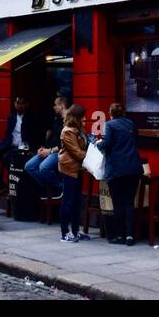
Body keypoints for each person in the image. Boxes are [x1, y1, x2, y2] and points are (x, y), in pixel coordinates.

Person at [96, 103, 142, 246]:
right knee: (129, 202)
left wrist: (97, 143)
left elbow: (107, 143)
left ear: (111, 114)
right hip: (133, 168)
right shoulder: (131, 123)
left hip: (117, 169)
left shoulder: (110, 125)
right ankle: (130, 235)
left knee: (118, 203)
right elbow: (135, 140)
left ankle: (119, 235)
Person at [0, 96, 48, 193]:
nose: (20, 106)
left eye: (22, 103)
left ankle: (12, 188)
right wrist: (4, 145)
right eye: (18, 103)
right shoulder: (11, 117)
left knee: (7, 158)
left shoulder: (31, 118)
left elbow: (36, 134)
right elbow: (8, 134)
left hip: (22, 148)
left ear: (26, 105)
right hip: (8, 146)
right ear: (14, 104)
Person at [25, 93, 68, 200]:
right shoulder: (57, 119)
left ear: (61, 105)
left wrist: (49, 151)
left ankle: (60, 187)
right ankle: (48, 187)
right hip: (49, 149)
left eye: (55, 105)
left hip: (58, 151)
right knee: (29, 166)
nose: (53, 107)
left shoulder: (68, 120)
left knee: (43, 167)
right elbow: (52, 137)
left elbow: (64, 143)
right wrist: (43, 148)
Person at [58, 104, 89, 243]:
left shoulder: (79, 129)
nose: (85, 118)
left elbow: (85, 146)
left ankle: (76, 231)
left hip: (78, 169)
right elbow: (76, 152)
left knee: (77, 201)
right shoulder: (68, 131)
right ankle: (65, 233)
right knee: (68, 201)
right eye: (83, 116)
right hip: (69, 169)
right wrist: (90, 157)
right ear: (76, 117)